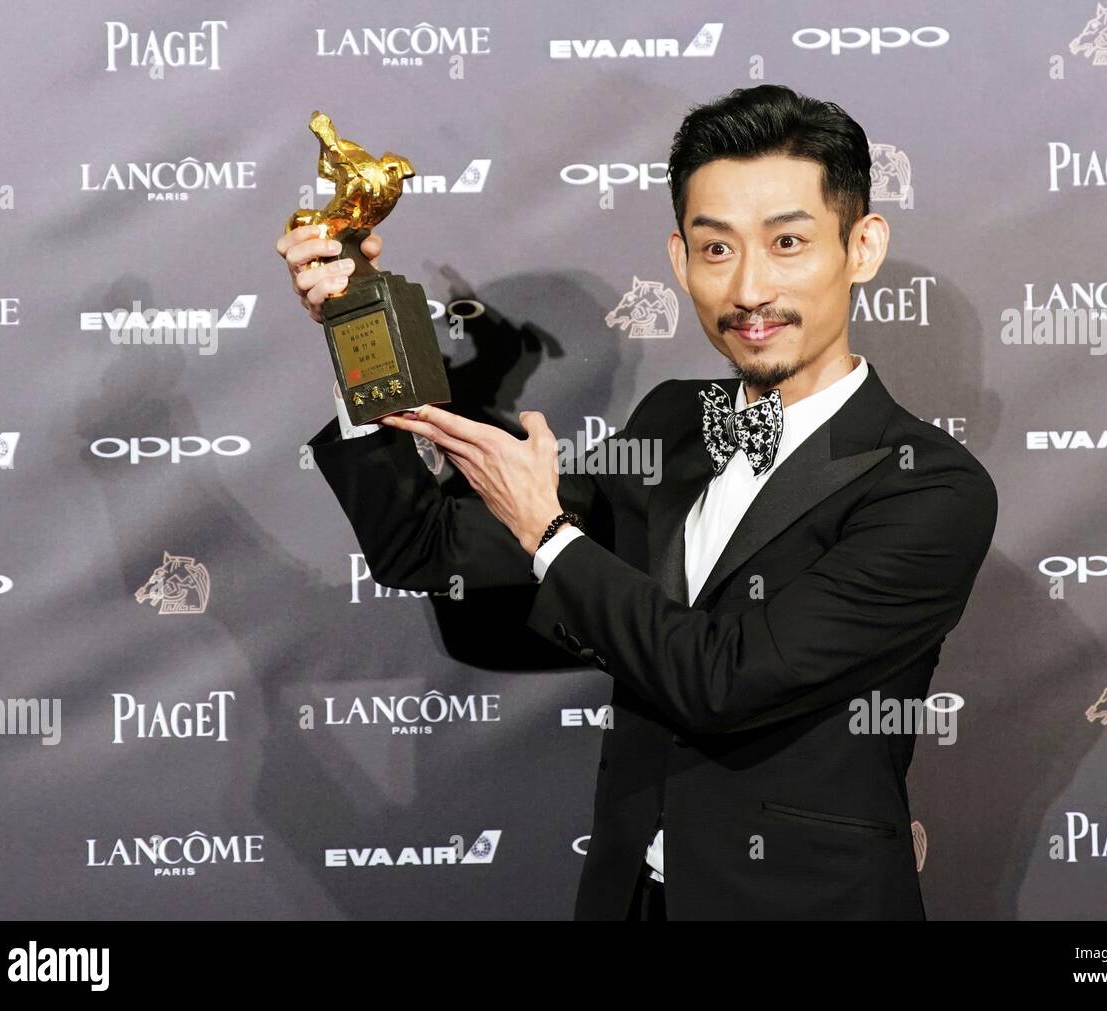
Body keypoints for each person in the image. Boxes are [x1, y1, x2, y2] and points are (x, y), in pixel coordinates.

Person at [276, 84, 998, 920]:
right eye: (716, 248)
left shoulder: (928, 486)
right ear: (678, 259)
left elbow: (723, 682)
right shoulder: (675, 427)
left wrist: (546, 530)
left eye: (789, 242)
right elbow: (423, 546)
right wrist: (358, 325)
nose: (750, 288)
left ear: (862, 246)